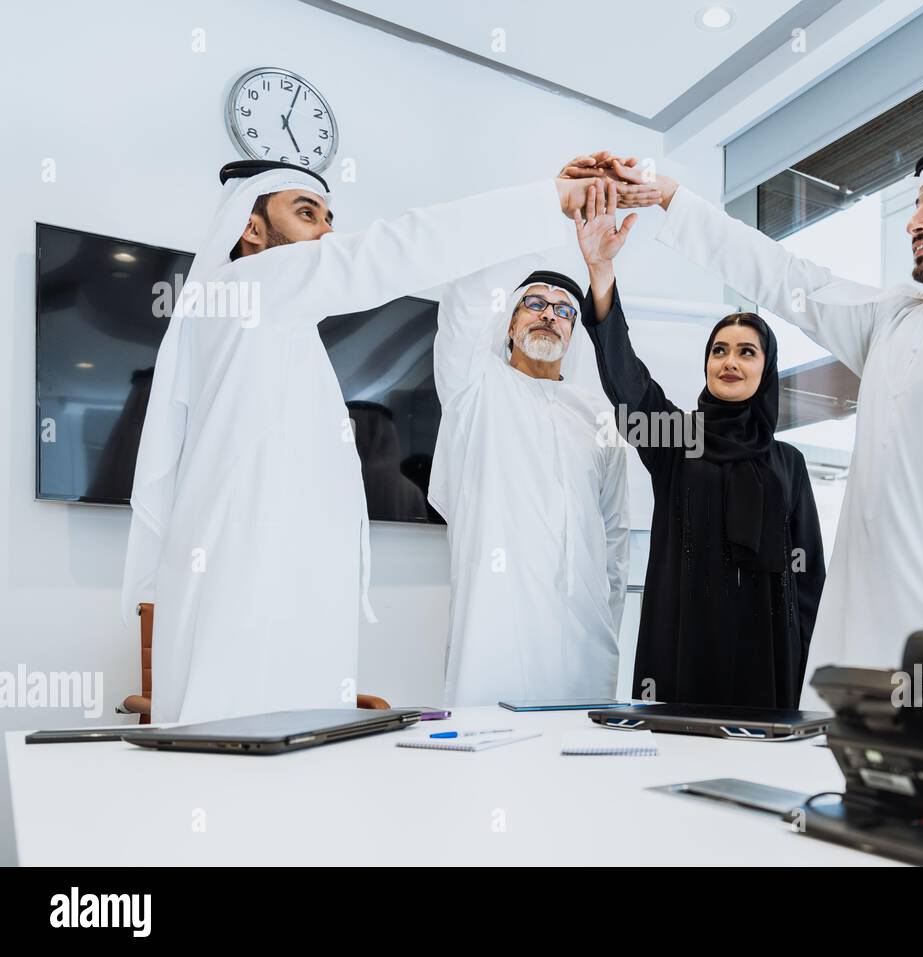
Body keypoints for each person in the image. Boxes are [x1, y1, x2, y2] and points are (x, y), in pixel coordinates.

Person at [123, 159, 656, 724]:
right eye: (307, 214)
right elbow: (398, 249)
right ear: (251, 228)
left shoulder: (283, 333)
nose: (327, 232)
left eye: (330, 217)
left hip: (287, 600)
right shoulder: (247, 290)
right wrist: (552, 199)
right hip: (246, 593)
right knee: (231, 762)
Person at [563, 147, 923, 695]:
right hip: (850, 666)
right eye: (916, 205)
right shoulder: (893, 320)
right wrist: (668, 196)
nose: (915, 221)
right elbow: (781, 274)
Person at [576, 181, 825, 708]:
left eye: (747, 352)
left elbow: (810, 582)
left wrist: (805, 683)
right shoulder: (679, 438)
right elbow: (629, 386)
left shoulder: (789, 463)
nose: (730, 361)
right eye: (719, 351)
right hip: (684, 650)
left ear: (767, 368)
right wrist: (602, 273)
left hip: (770, 663)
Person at [429, 255, 629, 706]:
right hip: (495, 628)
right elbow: (463, 309)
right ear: (508, 322)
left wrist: (608, 622)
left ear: (574, 333)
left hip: (583, 634)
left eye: (564, 311)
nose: (548, 315)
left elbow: (615, 536)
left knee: (579, 764)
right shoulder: (475, 387)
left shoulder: (598, 415)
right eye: (534, 303)